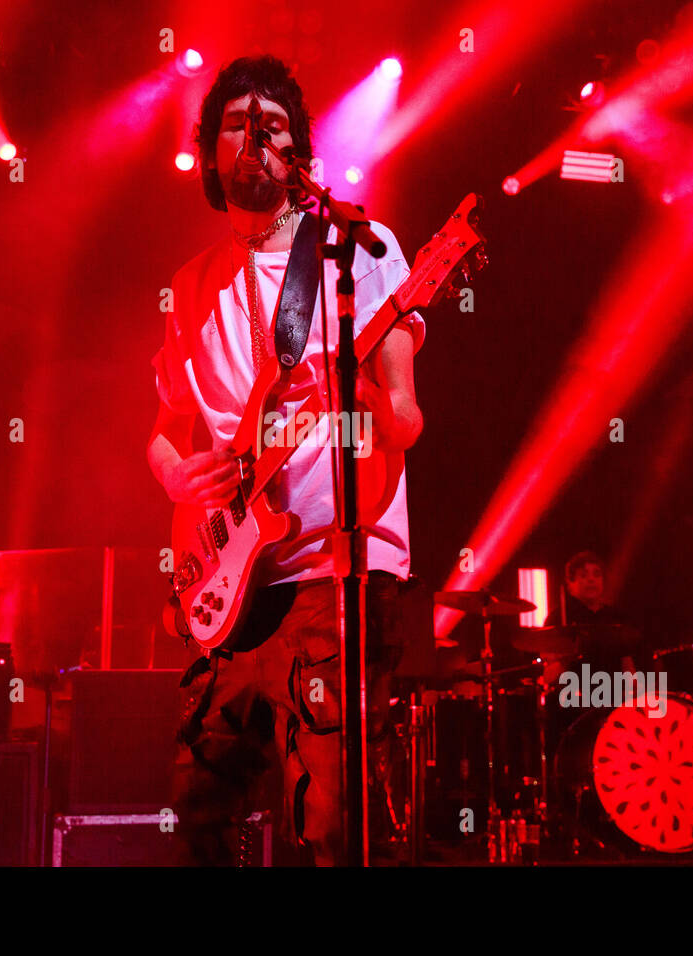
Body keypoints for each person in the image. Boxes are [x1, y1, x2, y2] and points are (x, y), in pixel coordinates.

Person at [146, 55, 425, 865]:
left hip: (332, 572)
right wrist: (172, 473)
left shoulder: (359, 250)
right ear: (210, 152)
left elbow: (404, 422)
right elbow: (164, 432)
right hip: (230, 584)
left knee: (335, 823)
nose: (253, 135)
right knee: (198, 810)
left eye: (271, 123)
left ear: (297, 150)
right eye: (236, 122)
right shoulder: (191, 285)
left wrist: (363, 396)